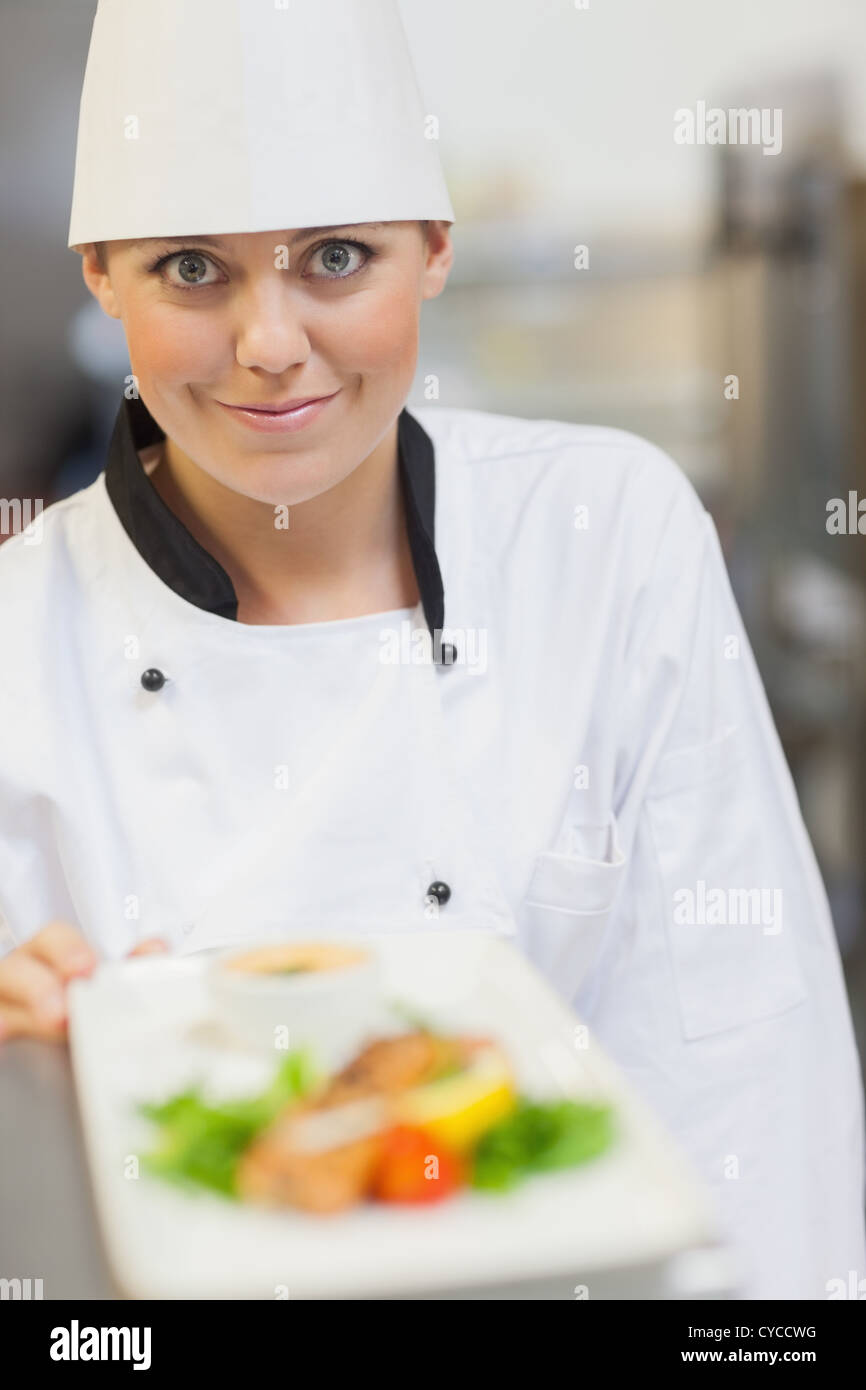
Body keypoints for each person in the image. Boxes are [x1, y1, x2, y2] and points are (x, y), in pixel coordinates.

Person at [0, 0, 863, 1300]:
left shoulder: (608, 535)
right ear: (100, 273)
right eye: (191, 266)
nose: (269, 343)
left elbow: (744, 1068)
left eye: (336, 256)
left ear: (436, 248)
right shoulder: (20, 627)